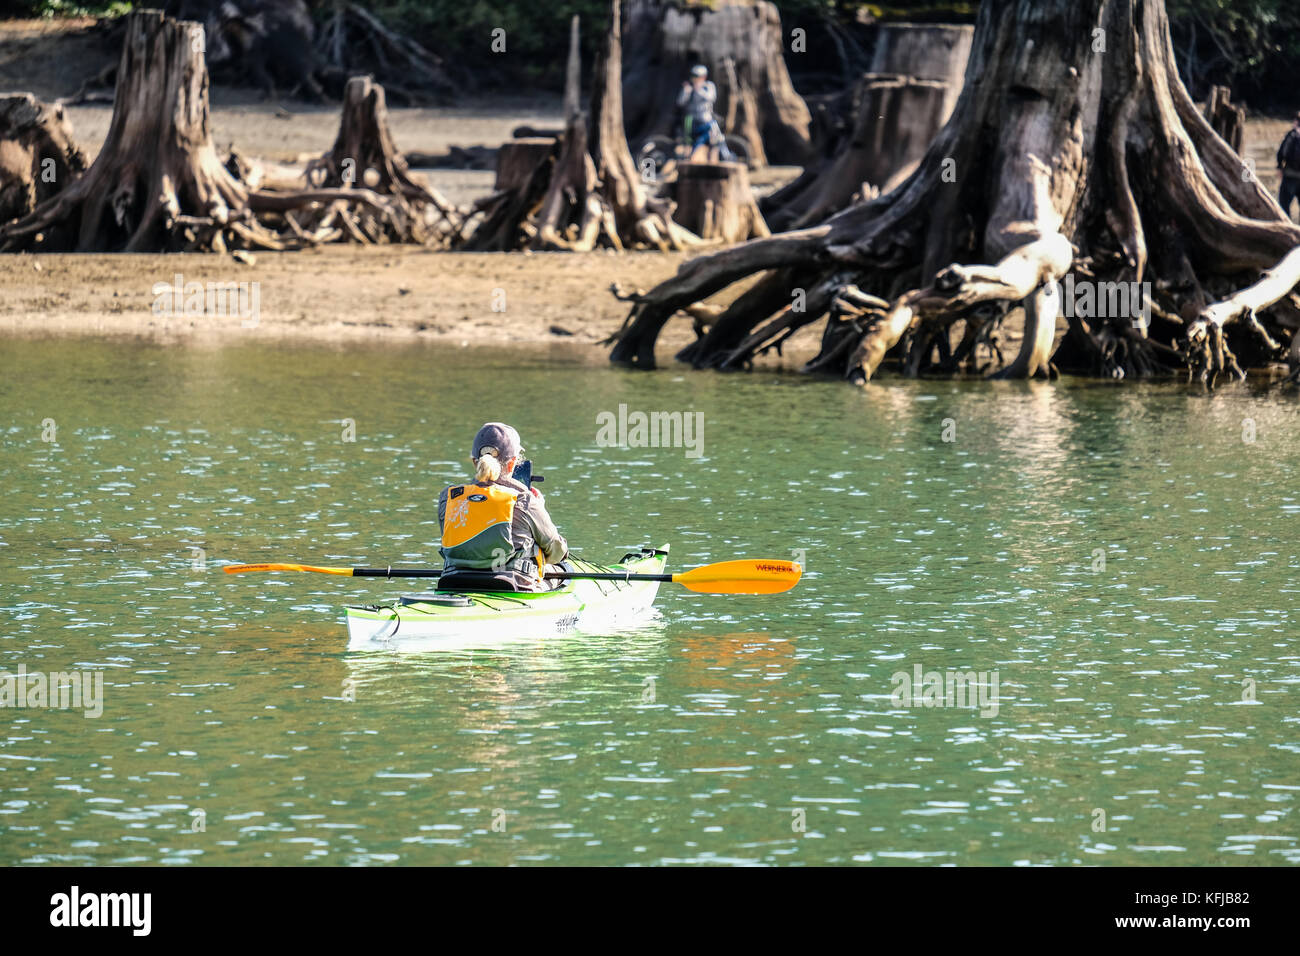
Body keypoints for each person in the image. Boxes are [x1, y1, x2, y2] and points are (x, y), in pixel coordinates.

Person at [437, 422, 568, 592]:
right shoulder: (524, 499)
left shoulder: (448, 498)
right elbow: (557, 552)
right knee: (564, 571)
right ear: (513, 463)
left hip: (454, 580)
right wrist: (539, 508)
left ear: (474, 462)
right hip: (515, 585)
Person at [677, 64, 721, 162]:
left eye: (697, 76)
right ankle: (689, 158)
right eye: (693, 76)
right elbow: (680, 102)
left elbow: (711, 98)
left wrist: (699, 90)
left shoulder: (708, 86)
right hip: (692, 121)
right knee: (690, 142)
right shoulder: (689, 87)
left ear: (703, 77)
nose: (694, 78)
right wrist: (686, 92)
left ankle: (712, 162)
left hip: (706, 120)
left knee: (714, 141)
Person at [1277, 112, 1300, 221]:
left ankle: (1287, 228)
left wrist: (1280, 167)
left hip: (1290, 177)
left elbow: (1282, 152)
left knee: (1284, 207)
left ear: (1296, 121)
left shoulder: (1293, 134)